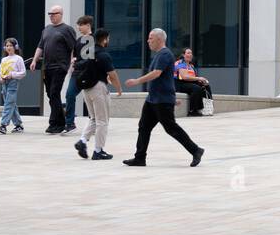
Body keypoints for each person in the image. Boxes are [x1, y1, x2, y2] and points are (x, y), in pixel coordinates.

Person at [123, 28, 205, 167]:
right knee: (143, 127)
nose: (148, 41)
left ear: (159, 39)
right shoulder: (159, 55)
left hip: (161, 100)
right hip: (152, 99)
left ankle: (196, 150)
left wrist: (137, 81)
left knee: (171, 128)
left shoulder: (165, 54)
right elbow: (167, 79)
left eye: (151, 38)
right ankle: (140, 158)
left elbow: (157, 73)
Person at [28, 5, 77, 135]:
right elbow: (40, 46)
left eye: (53, 13)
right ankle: (61, 121)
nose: (51, 16)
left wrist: (72, 62)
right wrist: (34, 60)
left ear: (60, 14)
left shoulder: (67, 29)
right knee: (50, 95)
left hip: (60, 66)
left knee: (54, 93)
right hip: (47, 67)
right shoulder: (47, 29)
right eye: (49, 14)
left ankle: (55, 123)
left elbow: (74, 47)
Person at [75, 28, 122, 160]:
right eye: (108, 38)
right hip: (98, 88)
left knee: (94, 119)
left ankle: (83, 141)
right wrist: (119, 89)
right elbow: (112, 74)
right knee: (103, 121)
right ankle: (98, 150)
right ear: (105, 39)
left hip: (87, 89)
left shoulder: (90, 52)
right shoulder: (103, 54)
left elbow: (92, 69)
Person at [62, 15, 94, 134]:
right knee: (70, 95)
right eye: (78, 25)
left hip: (88, 74)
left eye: (81, 25)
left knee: (91, 99)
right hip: (76, 73)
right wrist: (73, 63)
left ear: (88, 25)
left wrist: (76, 62)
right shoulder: (79, 40)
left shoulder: (91, 39)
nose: (79, 27)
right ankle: (70, 123)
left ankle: (94, 122)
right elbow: (75, 55)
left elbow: (88, 59)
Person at [0, 38, 26, 135]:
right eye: (7, 46)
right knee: (12, 104)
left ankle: (3, 125)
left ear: (15, 47)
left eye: (10, 45)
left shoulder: (18, 59)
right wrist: (0, 78)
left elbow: (23, 73)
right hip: (4, 83)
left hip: (13, 82)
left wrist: (12, 75)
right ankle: (18, 125)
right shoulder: (4, 60)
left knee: (8, 104)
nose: (8, 47)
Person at [173, 48, 214, 116]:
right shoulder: (180, 63)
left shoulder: (191, 66)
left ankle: (207, 108)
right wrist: (198, 78)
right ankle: (192, 111)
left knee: (206, 86)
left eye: (191, 53)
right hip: (178, 83)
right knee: (196, 88)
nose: (190, 55)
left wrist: (202, 81)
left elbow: (193, 78)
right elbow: (184, 77)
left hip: (187, 83)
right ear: (183, 55)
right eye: (188, 53)